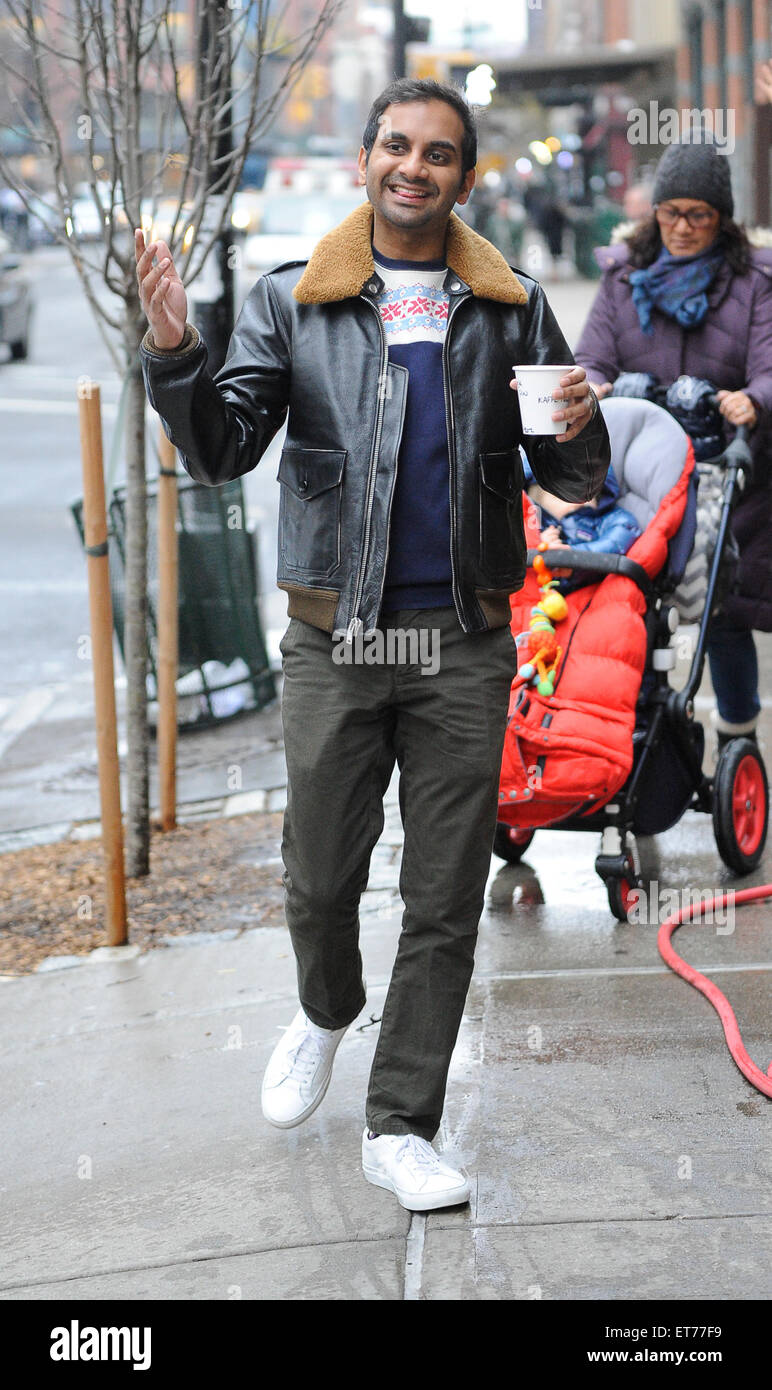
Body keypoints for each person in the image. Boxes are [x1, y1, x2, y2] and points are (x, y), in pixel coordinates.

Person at [135, 78, 609, 1212]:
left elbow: (571, 484)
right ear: (364, 160)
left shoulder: (512, 308)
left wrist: (580, 431)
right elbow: (222, 450)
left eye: (438, 153)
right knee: (318, 878)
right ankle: (325, 1006)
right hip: (333, 643)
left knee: (443, 898)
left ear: (464, 176)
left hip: (462, 646)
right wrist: (172, 353)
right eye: (396, 146)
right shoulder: (289, 300)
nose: (415, 167)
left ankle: (400, 1123)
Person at [574, 135, 772, 750]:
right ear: (653, 213)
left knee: (723, 613)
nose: (682, 228)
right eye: (670, 213)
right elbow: (592, 356)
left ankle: (737, 736)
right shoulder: (622, 275)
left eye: (699, 215)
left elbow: (768, 365)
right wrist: (594, 385)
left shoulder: (754, 281)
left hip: (727, 474)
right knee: (626, 599)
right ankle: (629, 730)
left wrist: (755, 399)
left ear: (722, 218)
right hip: (643, 474)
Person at [526, 460, 641, 592]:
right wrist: (536, 545)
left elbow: (623, 533)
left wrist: (572, 558)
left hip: (590, 590)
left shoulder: (606, 520)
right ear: (541, 505)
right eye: (564, 495)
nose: (577, 500)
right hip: (540, 596)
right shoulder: (533, 527)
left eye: (584, 492)